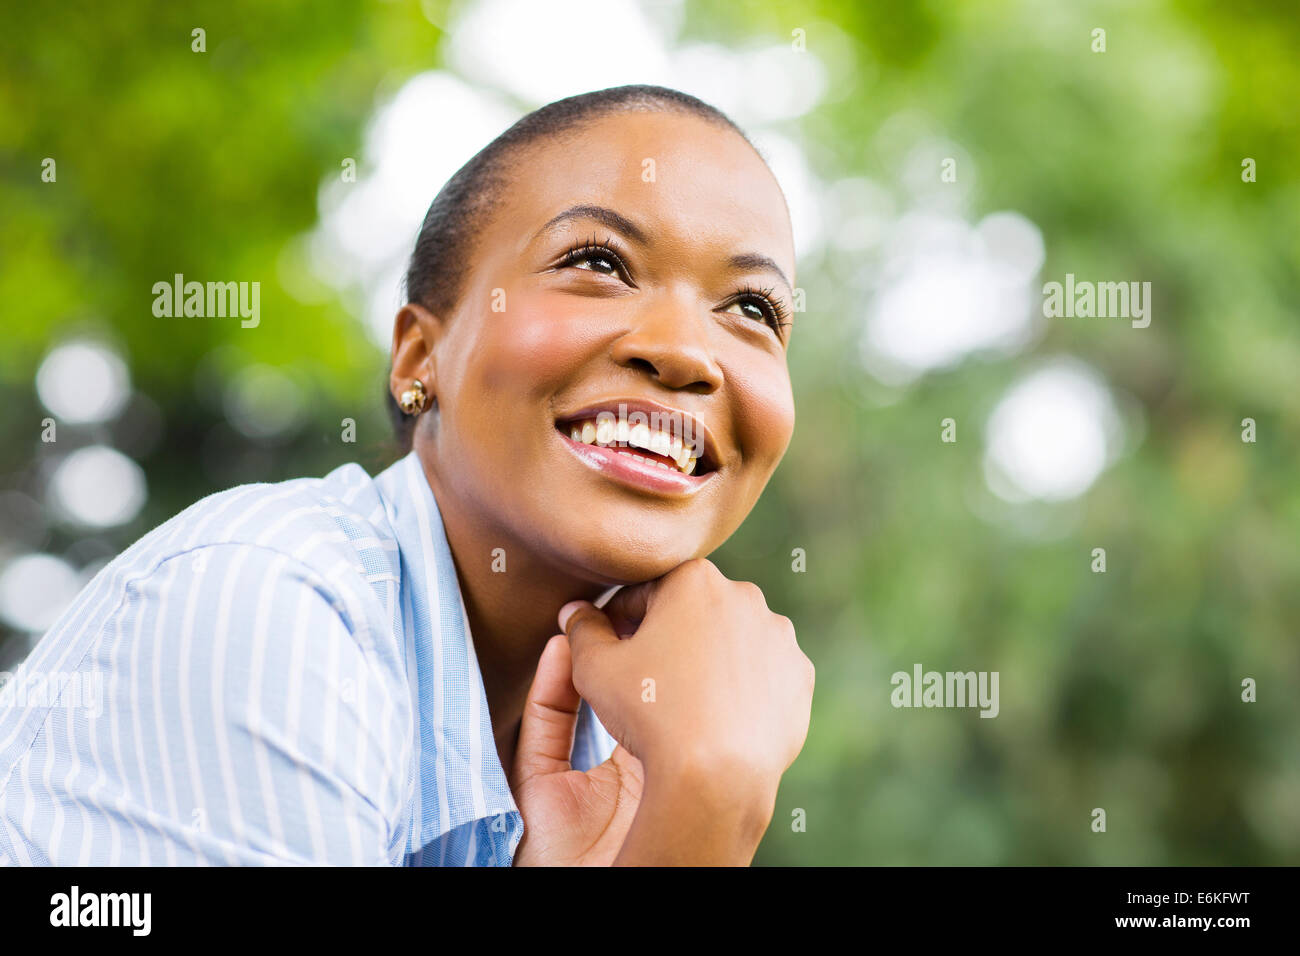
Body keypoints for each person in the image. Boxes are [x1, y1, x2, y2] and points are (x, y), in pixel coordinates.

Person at [0, 84, 814, 866]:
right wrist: (707, 805)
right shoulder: (264, 604)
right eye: (598, 261)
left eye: (751, 309)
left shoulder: (621, 736)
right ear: (421, 357)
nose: (681, 351)